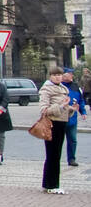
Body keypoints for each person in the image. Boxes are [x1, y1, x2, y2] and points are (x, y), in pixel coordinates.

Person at [37, 66, 71, 195]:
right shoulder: (46, 89)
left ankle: (49, 183)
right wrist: (61, 105)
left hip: (61, 123)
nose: (58, 77)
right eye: (55, 75)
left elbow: (64, 110)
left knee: (56, 155)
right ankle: (52, 184)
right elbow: (44, 110)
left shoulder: (63, 89)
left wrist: (71, 108)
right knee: (52, 155)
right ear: (50, 76)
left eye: (60, 75)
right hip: (52, 124)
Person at [62, 69, 86, 167]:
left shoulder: (76, 87)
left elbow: (81, 100)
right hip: (60, 118)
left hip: (72, 119)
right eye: (65, 75)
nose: (67, 76)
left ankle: (71, 159)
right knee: (58, 140)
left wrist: (82, 112)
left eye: (69, 74)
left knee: (72, 140)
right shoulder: (60, 86)